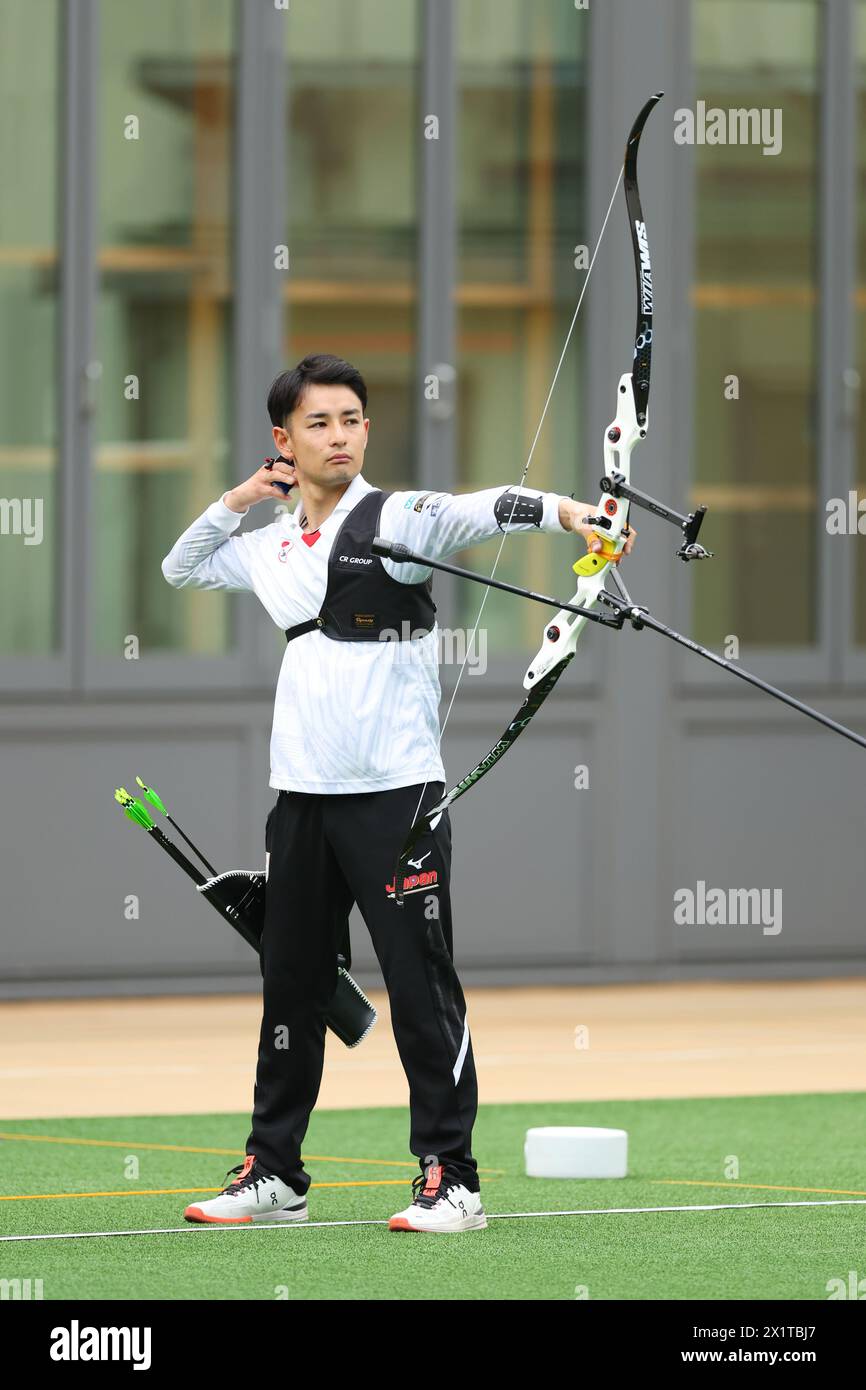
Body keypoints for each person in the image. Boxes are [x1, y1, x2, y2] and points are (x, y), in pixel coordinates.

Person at [161, 352, 635, 1234]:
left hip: (395, 798)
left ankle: (452, 1177)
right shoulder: (268, 548)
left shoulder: (400, 517)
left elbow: (485, 507)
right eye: (318, 424)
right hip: (299, 796)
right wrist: (241, 498)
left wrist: (578, 514)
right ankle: (275, 1171)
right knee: (291, 985)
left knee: (420, 986)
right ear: (283, 442)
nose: (339, 436)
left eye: (351, 420)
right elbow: (180, 568)